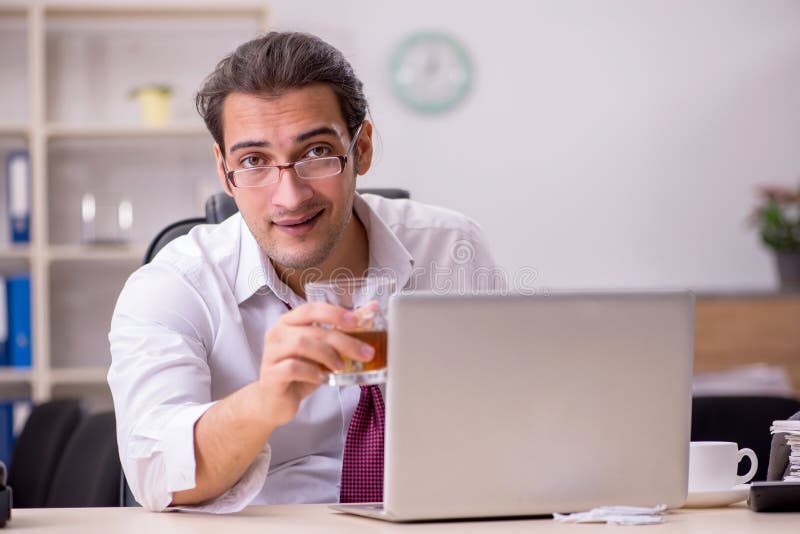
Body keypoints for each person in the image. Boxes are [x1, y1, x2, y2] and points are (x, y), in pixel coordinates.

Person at [108, 31, 496, 513]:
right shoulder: (174, 285)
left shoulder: (452, 248)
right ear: (222, 169)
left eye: (316, 153)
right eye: (254, 161)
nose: (289, 198)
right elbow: (155, 475)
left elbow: (514, 417)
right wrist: (265, 402)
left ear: (364, 148)